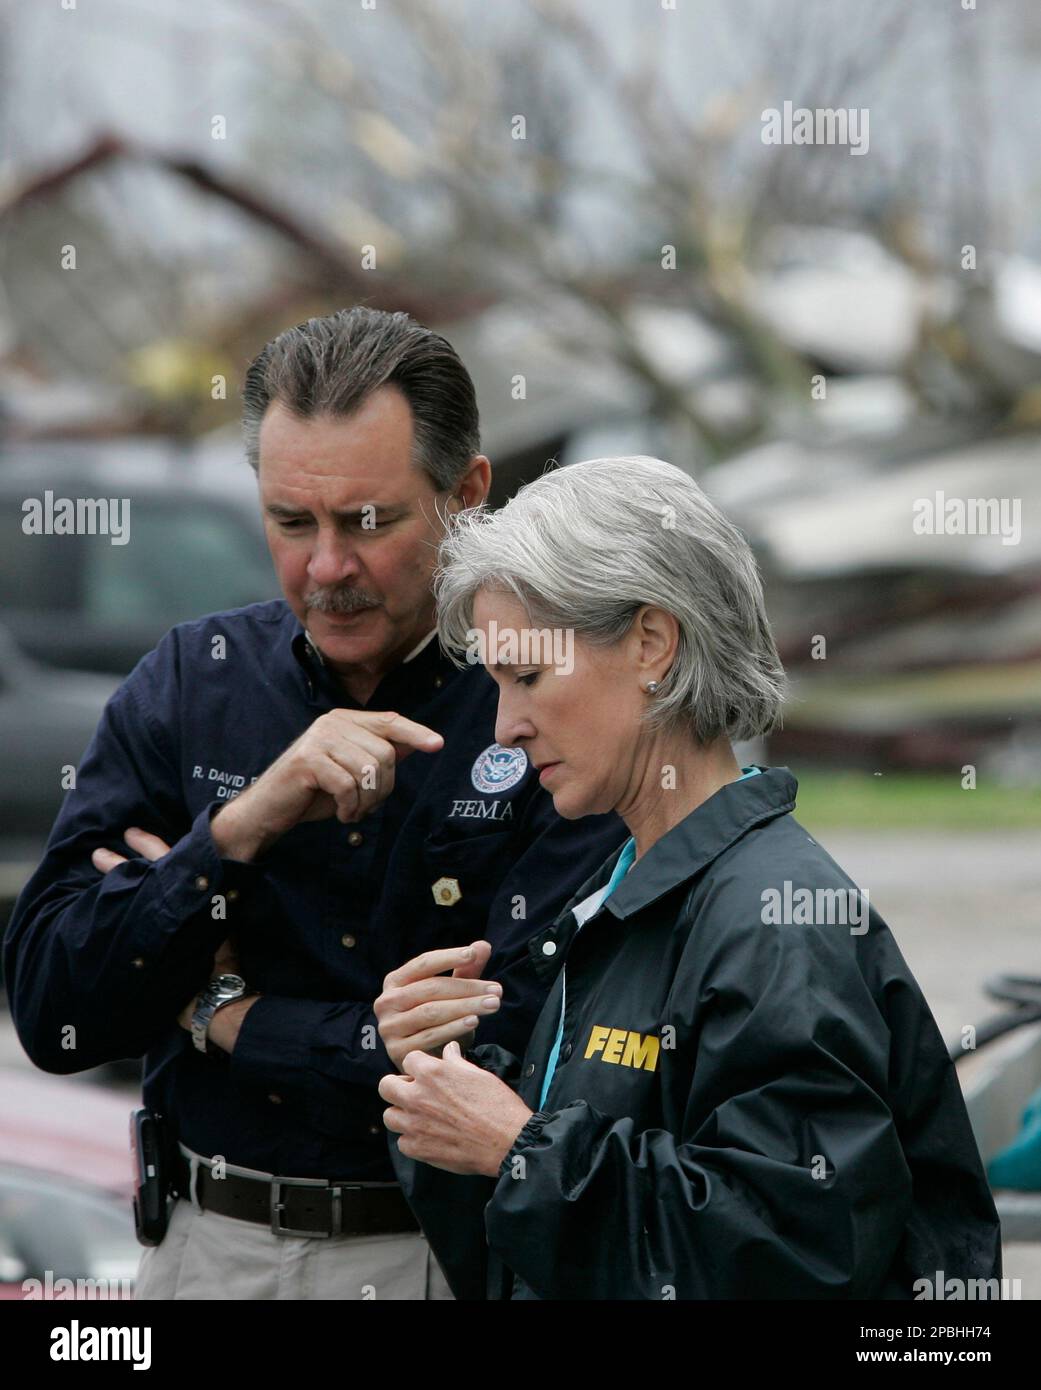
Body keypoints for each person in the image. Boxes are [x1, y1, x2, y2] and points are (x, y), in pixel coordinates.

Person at [3, 309, 626, 1301]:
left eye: (369, 523)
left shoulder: (539, 704)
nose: (328, 568)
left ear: (467, 495)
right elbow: (50, 1011)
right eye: (293, 523)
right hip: (204, 1250)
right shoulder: (190, 682)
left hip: (440, 1255)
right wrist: (239, 829)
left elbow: (502, 1058)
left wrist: (221, 1011)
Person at [376, 454, 1002, 1300]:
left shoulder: (772, 919)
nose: (505, 728)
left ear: (651, 644)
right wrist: (447, 1091)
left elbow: (797, 1259)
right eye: (493, 684)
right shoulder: (626, 895)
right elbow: (537, 1261)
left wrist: (522, 1152)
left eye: (526, 675)